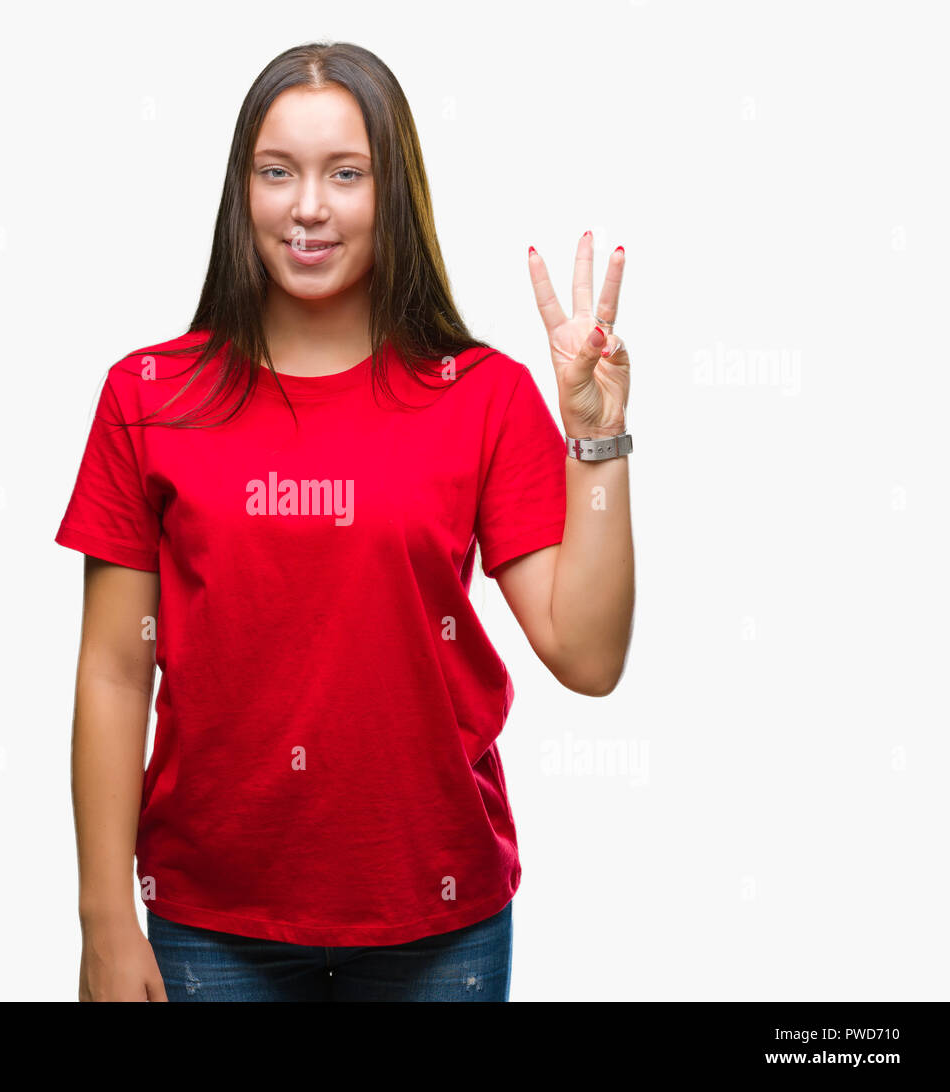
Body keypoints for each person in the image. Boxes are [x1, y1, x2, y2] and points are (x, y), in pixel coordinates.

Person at [58, 40, 635, 1003]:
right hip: (207, 927)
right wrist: (104, 921)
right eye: (277, 171)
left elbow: (588, 655)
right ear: (244, 190)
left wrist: (599, 443)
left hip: (439, 926)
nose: (309, 206)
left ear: (391, 192)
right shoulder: (148, 395)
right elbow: (115, 672)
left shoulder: (482, 397)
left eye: (346, 173)